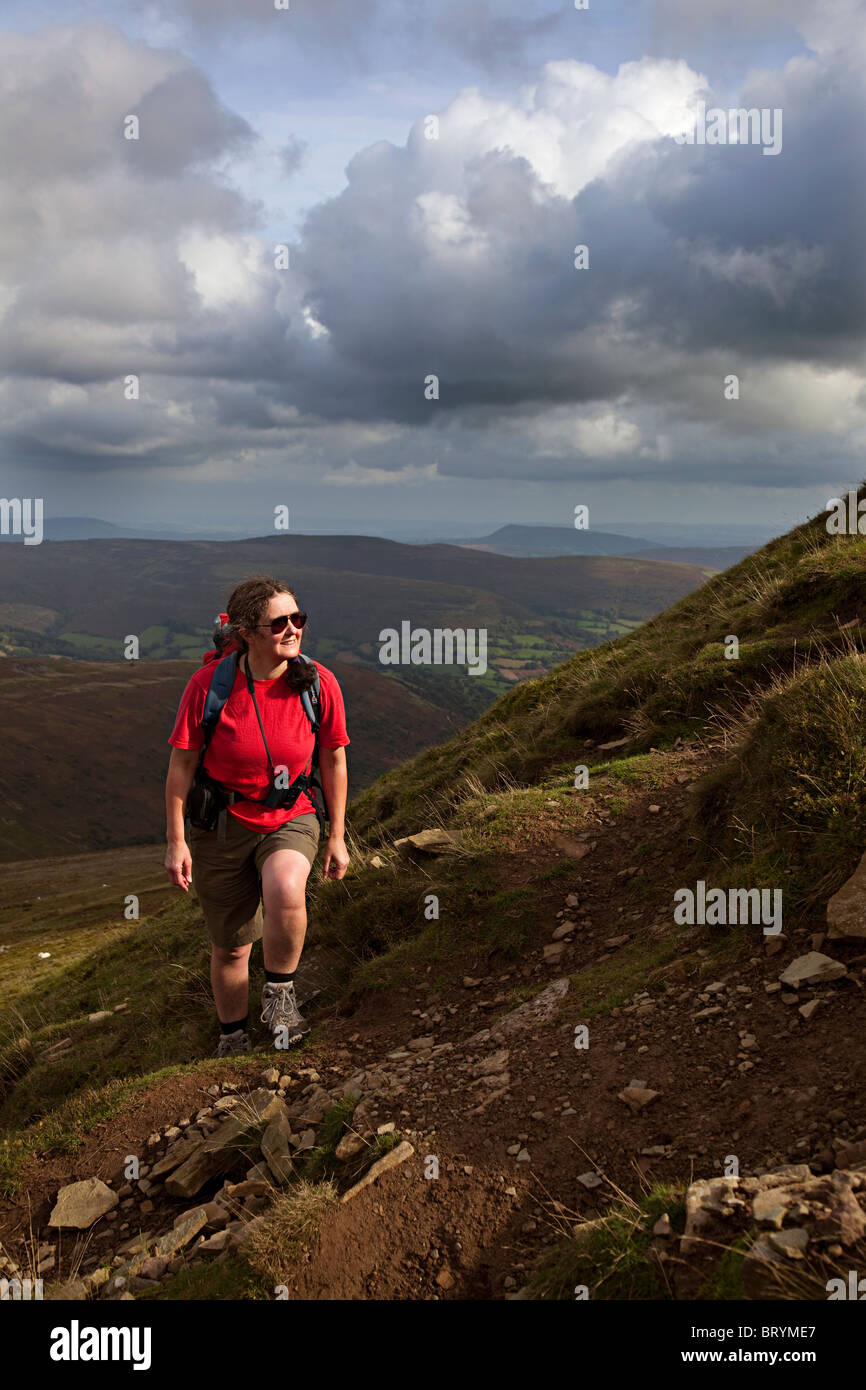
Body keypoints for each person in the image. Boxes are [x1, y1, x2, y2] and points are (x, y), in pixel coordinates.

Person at [164, 574, 350, 1057]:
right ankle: (233, 1036)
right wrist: (176, 840)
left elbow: (333, 758)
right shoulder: (209, 686)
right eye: (279, 623)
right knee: (231, 945)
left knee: (286, 885)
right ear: (246, 632)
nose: (293, 629)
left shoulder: (318, 683)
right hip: (222, 826)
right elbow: (182, 763)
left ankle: (281, 997)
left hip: (293, 815)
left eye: (298, 619)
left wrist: (337, 836)